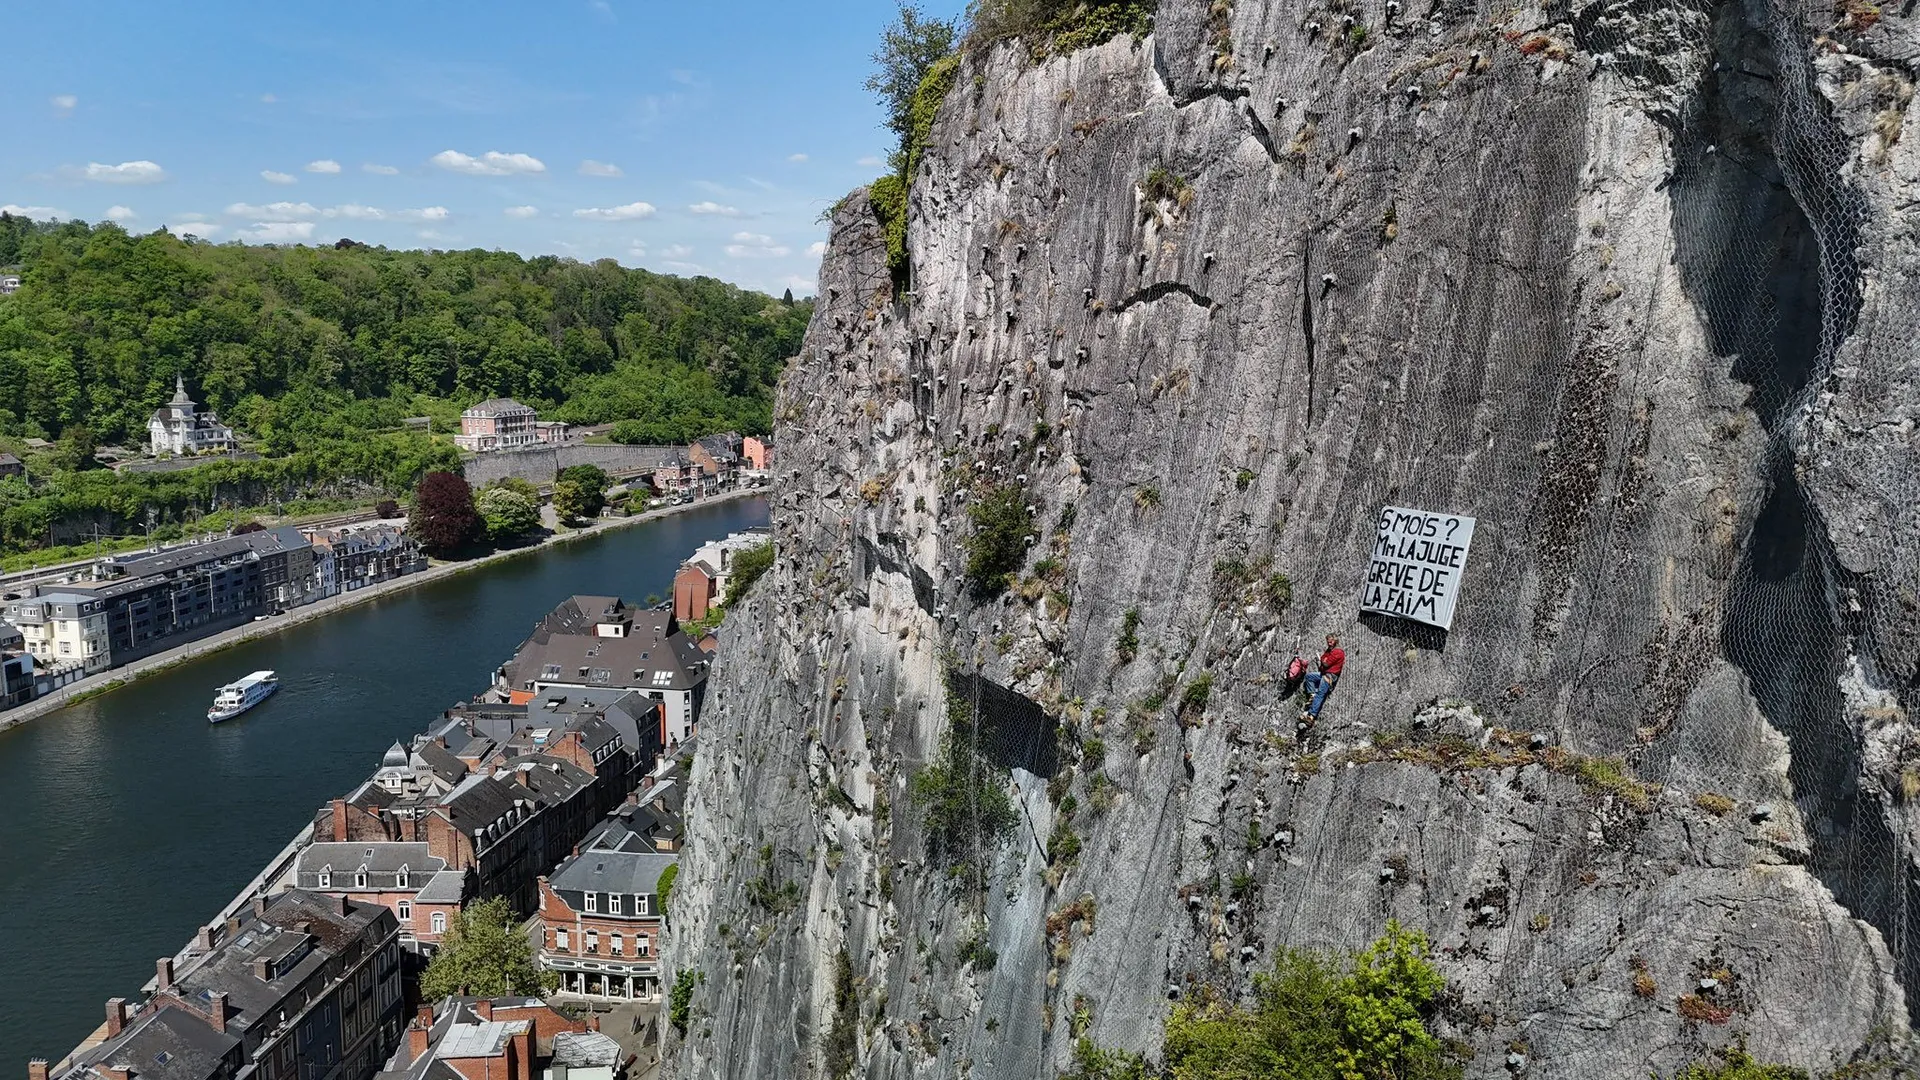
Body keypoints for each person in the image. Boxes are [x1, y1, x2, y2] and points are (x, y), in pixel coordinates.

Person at [1300, 634, 1345, 725]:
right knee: (1309, 677)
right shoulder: (1330, 650)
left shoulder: (1338, 652)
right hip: (1324, 673)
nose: (1329, 643)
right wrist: (1323, 660)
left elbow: (1325, 664)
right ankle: (1312, 695)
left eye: (1331, 641)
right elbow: (1323, 660)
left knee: (1320, 694)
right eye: (1328, 641)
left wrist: (1323, 660)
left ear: (1336, 641)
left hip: (1330, 676)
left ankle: (1311, 716)